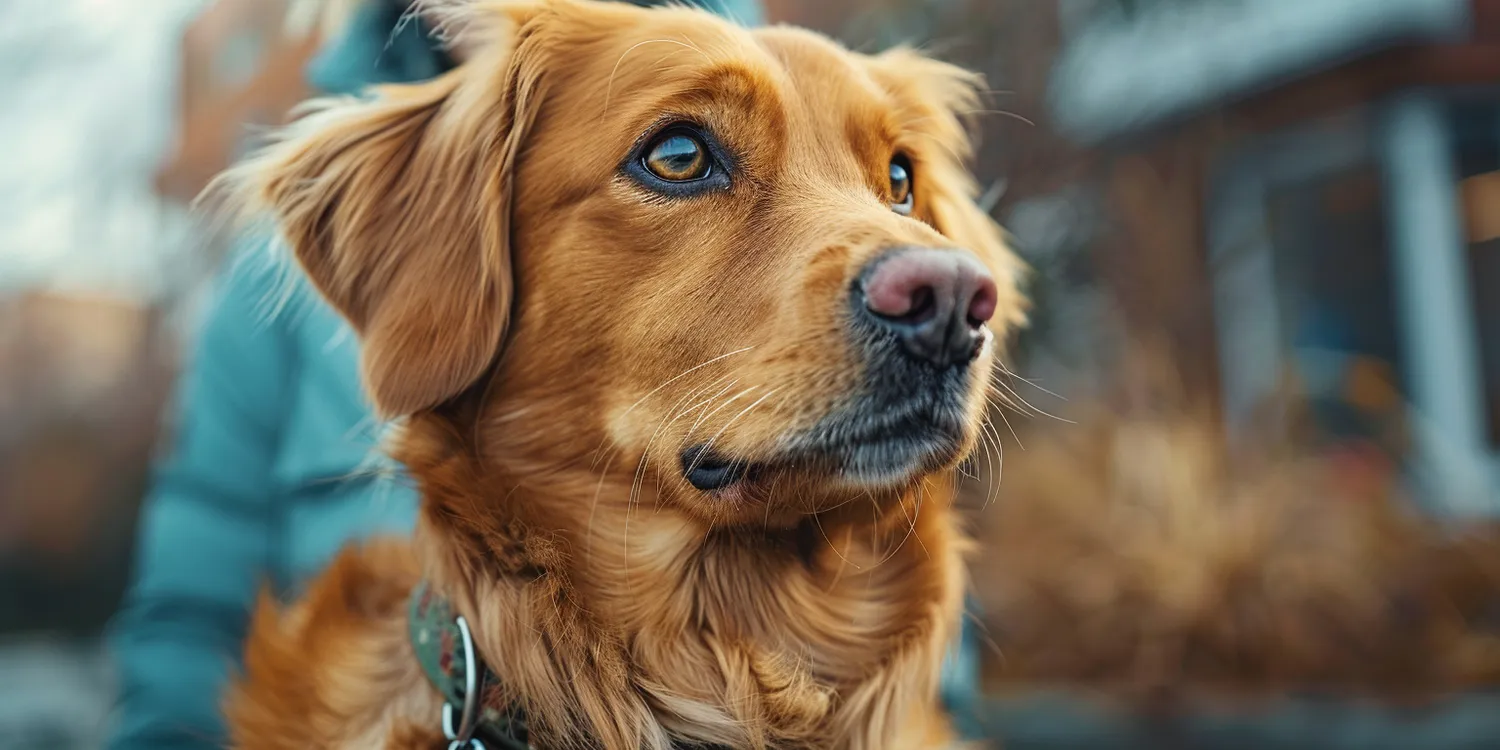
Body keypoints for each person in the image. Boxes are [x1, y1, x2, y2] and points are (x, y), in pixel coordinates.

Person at [105, 1, 981, 747]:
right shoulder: (268, 283)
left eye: (896, 183)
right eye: (680, 158)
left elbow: (927, 629)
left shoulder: (800, 64)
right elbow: (189, 610)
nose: (923, 264)